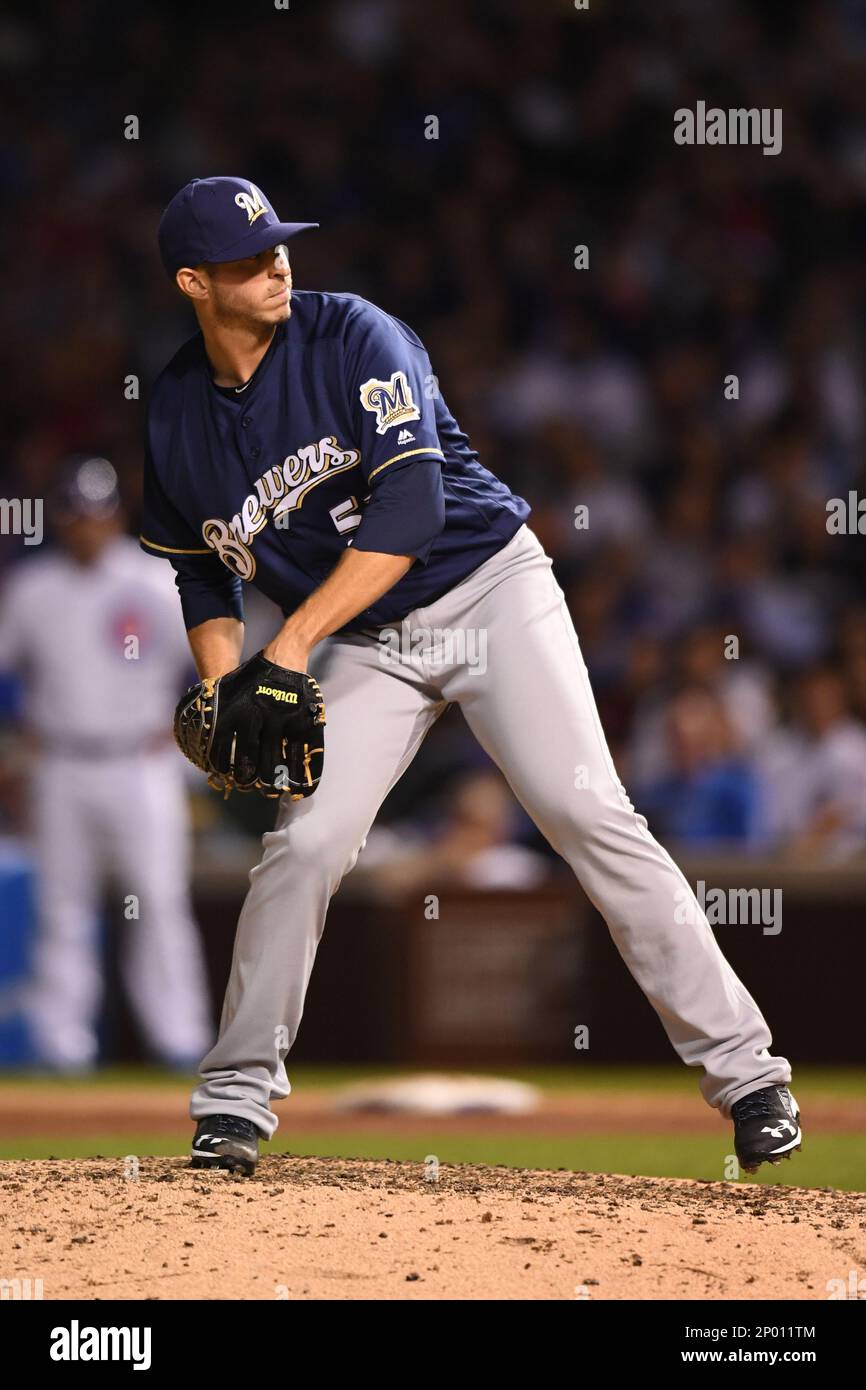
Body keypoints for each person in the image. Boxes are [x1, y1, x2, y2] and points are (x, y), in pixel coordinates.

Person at [142, 176, 801, 1176]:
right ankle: (233, 1101)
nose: (276, 262)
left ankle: (749, 1077)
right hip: (367, 636)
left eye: (279, 244)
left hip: (487, 584)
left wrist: (288, 649)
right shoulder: (178, 415)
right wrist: (227, 683)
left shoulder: (356, 337)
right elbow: (201, 571)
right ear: (193, 282)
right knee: (305, 843)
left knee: (589, 815)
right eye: (247, 257)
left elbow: (407, 519)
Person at [0, 457, 213, 1071]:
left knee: (157, 901)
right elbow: (9, 676)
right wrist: (22, 741)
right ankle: (61, 1048)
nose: (85, 525)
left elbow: (209, 666)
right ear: (61, 518)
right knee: (62, 908)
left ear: (116, 514)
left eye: (95, 513)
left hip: (140, 761)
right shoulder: (31, 587)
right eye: (74, 514)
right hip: (61, 761)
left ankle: (179, 1041)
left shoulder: (154, 580)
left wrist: (186, 736)